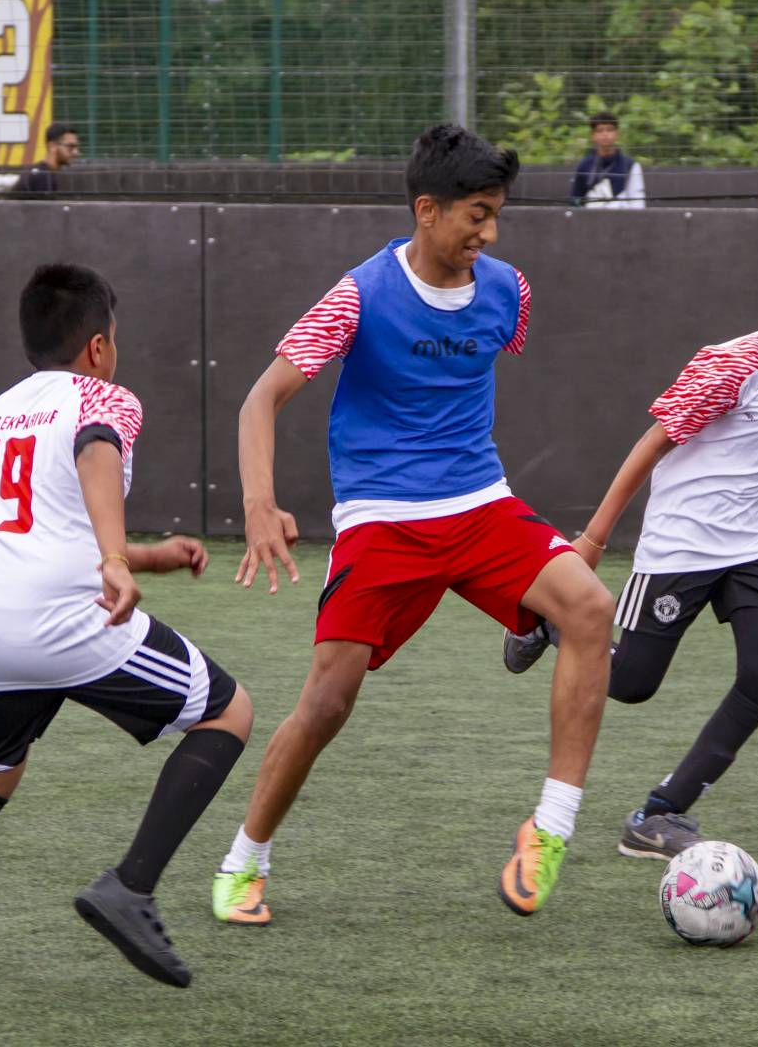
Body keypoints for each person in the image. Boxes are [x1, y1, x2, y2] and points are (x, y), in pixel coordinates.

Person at [212, 124, 613, 925]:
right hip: (383, 520)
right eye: (475, 214)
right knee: (327, 701)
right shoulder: (360, 294)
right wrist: (260, 503)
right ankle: (245, 858)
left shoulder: (509, 291)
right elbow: (262, 398)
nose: (488, 233)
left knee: (592, 609)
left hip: (480, 504)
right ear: (426, 211)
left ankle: (552, 828)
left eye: (497, 214)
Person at [0, 263, 252, 990]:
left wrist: (146, 557)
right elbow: (96, 449)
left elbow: (42, 517)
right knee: (228, 713)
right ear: (98, 345)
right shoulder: (107, 396)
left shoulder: (4, 406)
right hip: (61, 617)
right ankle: (130, 888)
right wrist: (113, 560)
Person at [502, 240, 758, 861]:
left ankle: (660, 814)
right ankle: (546, 621)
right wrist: (591, 540)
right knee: (634, 683)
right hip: (682, 540)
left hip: (756, 544)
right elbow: (652, 444)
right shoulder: (729, 367)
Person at [569, 112, 646, 210]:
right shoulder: (584, 166)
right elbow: (576, 202)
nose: (605, 134)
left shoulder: (631, 166)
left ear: (617, 134)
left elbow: (638, 205)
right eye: (600, 131)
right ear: (593, 136)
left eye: (609, 130)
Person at [13, 123, 81, 196]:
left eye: (76, 147)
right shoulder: (42, 177)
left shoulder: (43, 173)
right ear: (52, 146)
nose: (76, 152)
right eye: (70, 146)